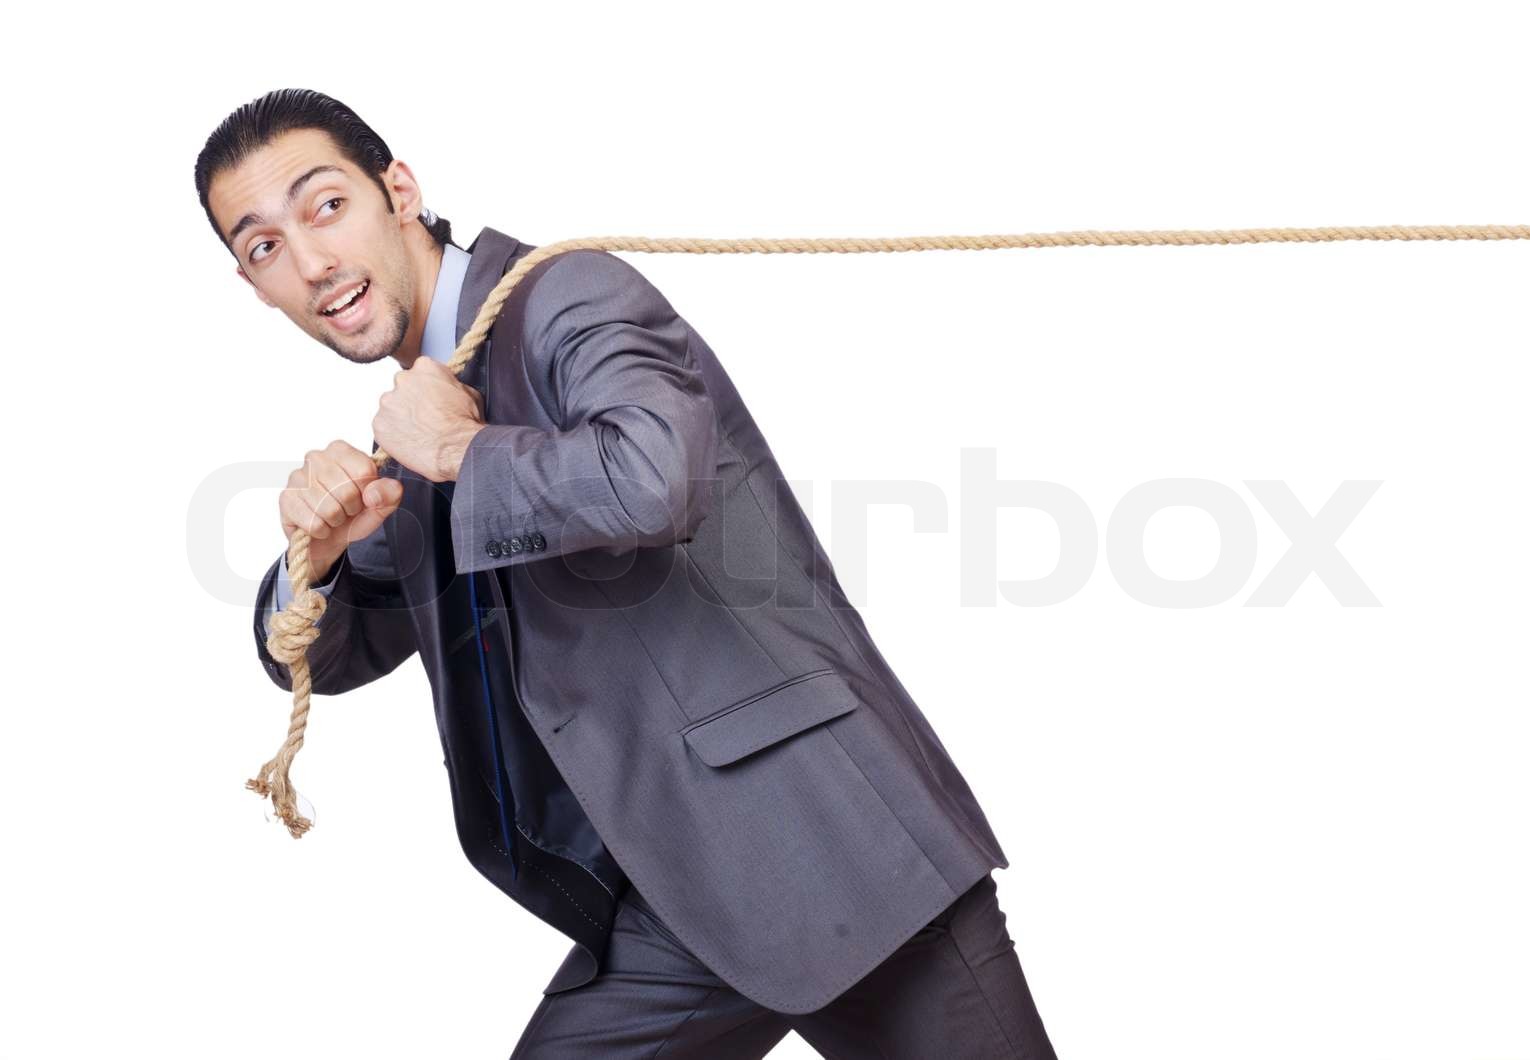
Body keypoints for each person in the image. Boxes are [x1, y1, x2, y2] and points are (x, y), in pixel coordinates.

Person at [197, 87, 1057, 1058]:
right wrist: (311, 561)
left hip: (827, 843)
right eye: (264, 244)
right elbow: (341, 648)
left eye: (324, 206)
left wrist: (456, 454)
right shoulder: (419, 422)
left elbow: (654, 480)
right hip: (677, 891)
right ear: (249, 281)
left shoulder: (564, 296)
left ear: (397, 190)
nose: (311, 261)